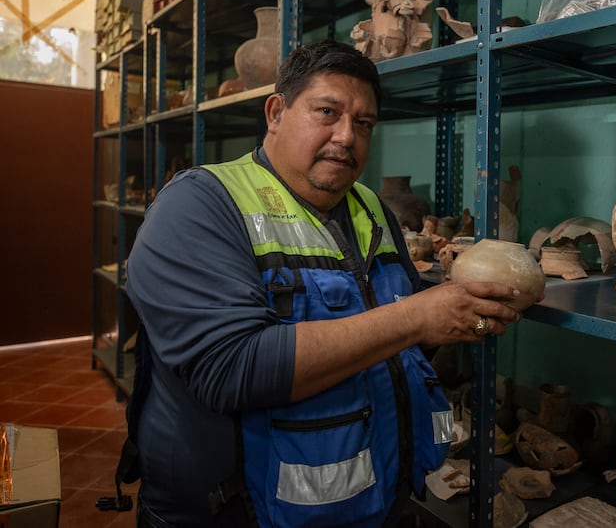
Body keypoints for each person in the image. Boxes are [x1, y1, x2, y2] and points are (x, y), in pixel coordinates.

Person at [123, 39, 534, 528]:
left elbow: (398, 341)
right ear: (276, 112)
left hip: (366, 505)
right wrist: (419, 316)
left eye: (363, 124)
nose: (346, 137)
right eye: (327, 112)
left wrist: (454, 317)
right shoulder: (199, 206)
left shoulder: (371, 208)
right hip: (236, 515)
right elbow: (231, 368)